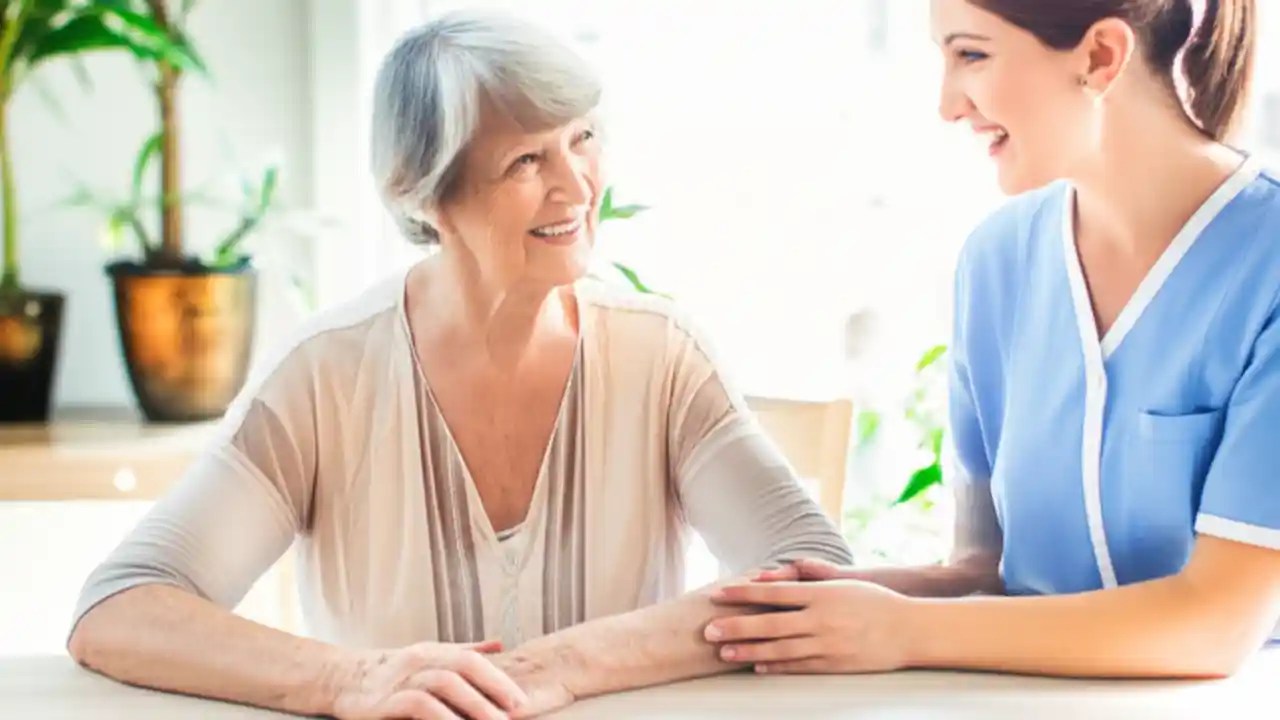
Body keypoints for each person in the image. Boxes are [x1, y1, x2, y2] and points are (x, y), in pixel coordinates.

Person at [65, 10, 851, 719]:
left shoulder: (661, 357)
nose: (577, 186)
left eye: (582, 138)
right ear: (421, 193)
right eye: (524, 162)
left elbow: (816, 586)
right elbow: (122, 608)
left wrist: (566, 665)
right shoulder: (325, 378)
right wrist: (351, 681)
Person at [705, 0, 1280, 679]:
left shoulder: (1265, 263)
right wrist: (841, 603)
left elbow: (1215, 626)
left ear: (1100, 56)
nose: (948, 105)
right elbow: (984, 567)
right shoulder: (997, 260)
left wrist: (904, 629)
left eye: (970, 55)